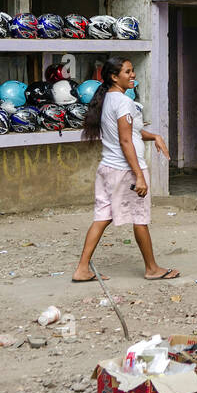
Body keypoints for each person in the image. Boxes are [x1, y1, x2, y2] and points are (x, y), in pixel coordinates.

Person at [72, 57, 179, 282]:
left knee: (102, 216)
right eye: (128, 72)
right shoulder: (123, 102)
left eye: (133, 71)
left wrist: (155, 136)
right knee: (140, 217)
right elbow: (125, 141)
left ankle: (82, 268)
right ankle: (152, 269)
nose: (133, 75)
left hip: (108, 168)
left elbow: (131, 132)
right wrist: (139, 175)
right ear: (114, 76)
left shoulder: (109, 100)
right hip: (125, 171)